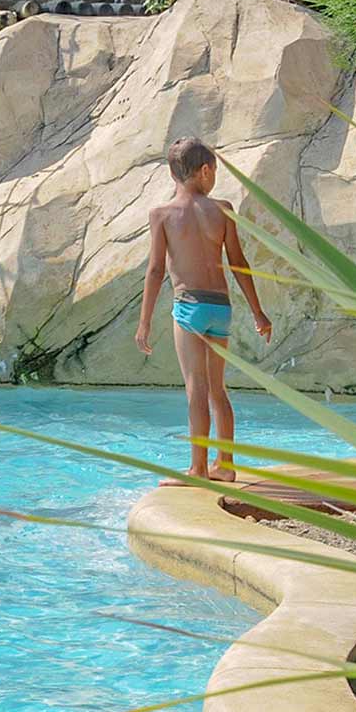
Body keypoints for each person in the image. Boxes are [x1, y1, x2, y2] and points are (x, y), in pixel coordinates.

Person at [134, 138, 273, 484]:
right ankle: (225, 464)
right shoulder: (222, 209)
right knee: (218, 389)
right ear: (205, 170)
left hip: (189, 307)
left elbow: (155, 271)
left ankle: (197, 468)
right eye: (215, 172)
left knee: (195, 389)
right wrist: (258, 313)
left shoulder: (162, 215)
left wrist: (145, 323)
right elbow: (238, 263)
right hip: (220, 309)